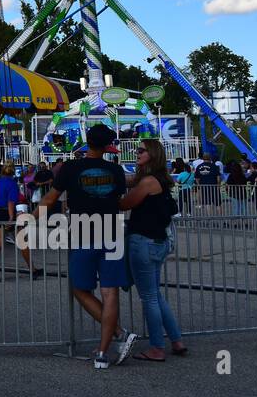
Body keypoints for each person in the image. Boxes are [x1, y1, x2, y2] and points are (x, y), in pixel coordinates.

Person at [36, 123, 137, 370]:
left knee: (80, 288)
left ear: (87, 142)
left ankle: (119, 334)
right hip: (112, 232)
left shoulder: (70, 167)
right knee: (110, 291)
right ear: (106, 147)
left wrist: (28, 220)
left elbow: (50, 198)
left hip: (83, 231)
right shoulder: (114, 169)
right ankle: (103, 351)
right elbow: (119, 200)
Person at [119, 140, 188, 362]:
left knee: (149, 296)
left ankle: (157, 347)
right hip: (158, 242)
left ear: (153, 154)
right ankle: (176, 340)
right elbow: (128, 182)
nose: (137, 153)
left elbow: (125, 203)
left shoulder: (148, 181)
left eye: (141, 150)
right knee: (155, 295)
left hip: (143, 241)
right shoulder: (158, 180)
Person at [0, 164, 39, 281]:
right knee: (22, 241)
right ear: (12, 173)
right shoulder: (12, 184)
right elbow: (11, 201)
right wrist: (11, 217)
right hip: (8, 213)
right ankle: (32, 269)